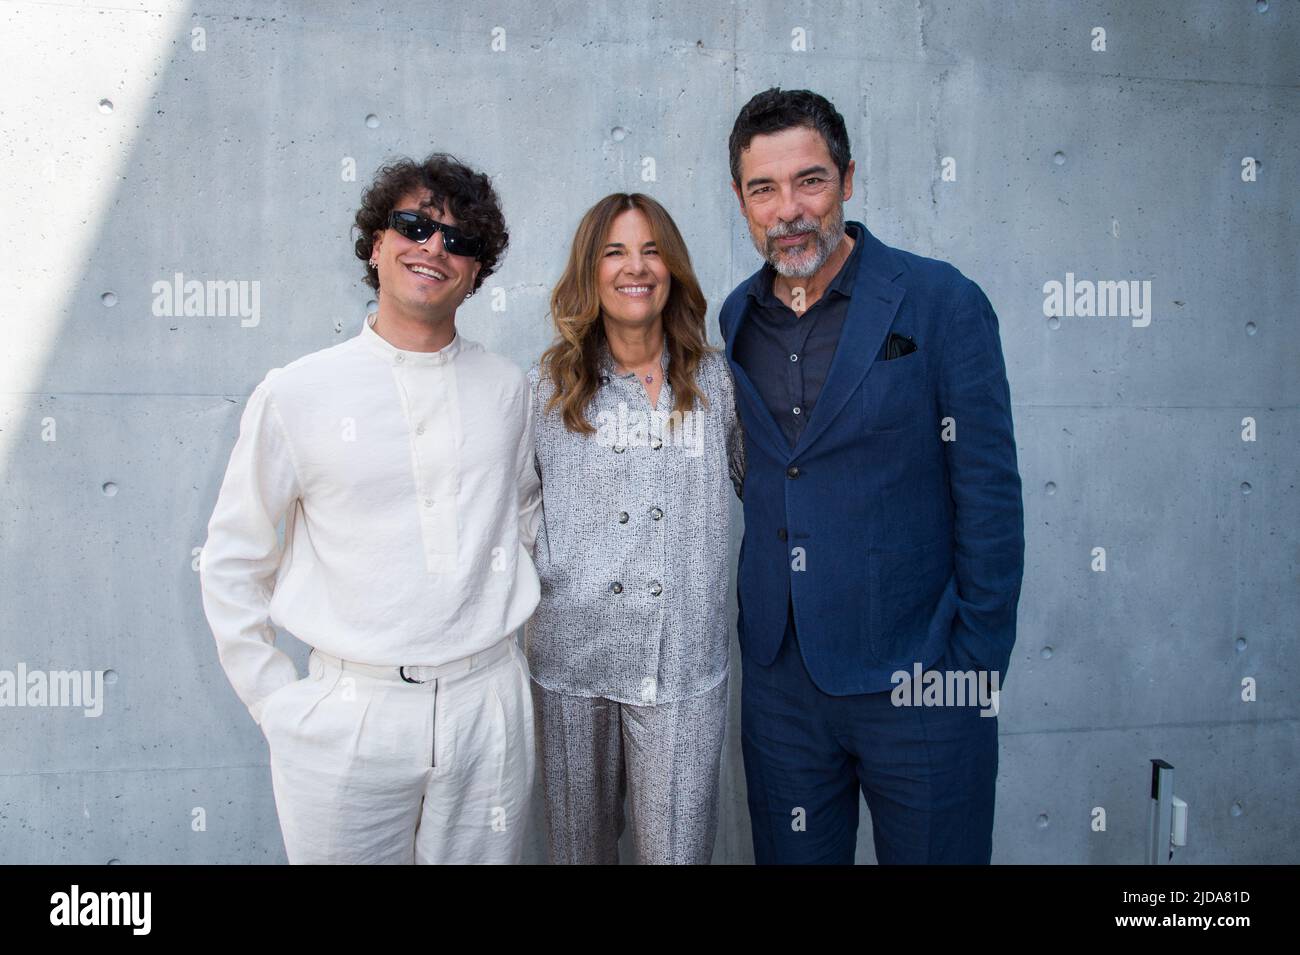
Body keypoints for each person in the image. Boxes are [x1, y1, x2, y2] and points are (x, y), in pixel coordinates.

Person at [199, 152, 540, 864]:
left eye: (459, 239)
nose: (434, 247)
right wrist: (279, 706)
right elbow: (234, 559)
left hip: (488, 710)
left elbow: (524, 523)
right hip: (350, 716)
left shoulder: (508, 389)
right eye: (414, 225)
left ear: (477, 270)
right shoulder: (298, 392)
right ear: (377, 244)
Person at [719, 88, 1025, 864]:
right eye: (765, 188)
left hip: (922, 680)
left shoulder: (941, 301)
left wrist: (972, 667)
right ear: (742, 200)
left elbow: (988, 494)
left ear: (848, 180)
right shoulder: (735, 320)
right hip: (783, 684)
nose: (789, 208)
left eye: (810, 180)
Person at [525, 193, 745, 864]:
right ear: (590, 271)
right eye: (615, 251)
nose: (635, 267)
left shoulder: (715, 380)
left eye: (652, 250)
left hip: (680, 663)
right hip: (572, 662)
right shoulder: (550, 386)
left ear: (672, 267)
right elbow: (510, 514)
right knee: (577, 852)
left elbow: (770, 488)